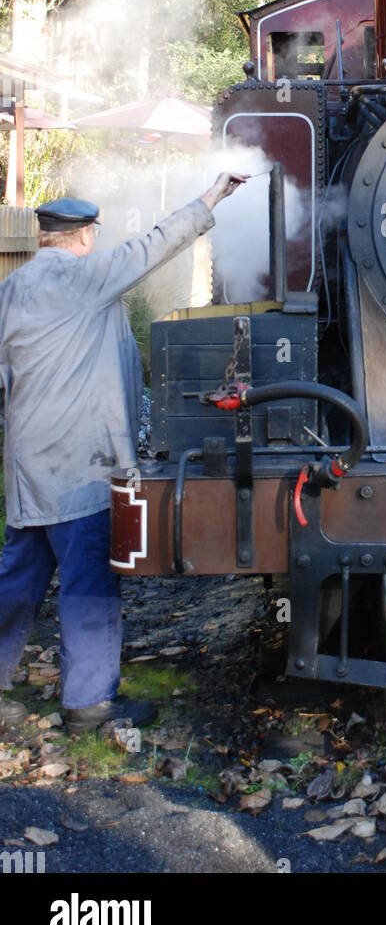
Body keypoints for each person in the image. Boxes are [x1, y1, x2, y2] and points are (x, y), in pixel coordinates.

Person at [0, 172, 248, 735]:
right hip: (78, 466)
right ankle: (89, 704)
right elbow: (154, 245)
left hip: (25, 469)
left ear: (43, 238)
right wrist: (209, 196)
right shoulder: (88, 278)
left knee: (17, 579)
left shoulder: (9, 290)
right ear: (85, 236)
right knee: (89, 584)